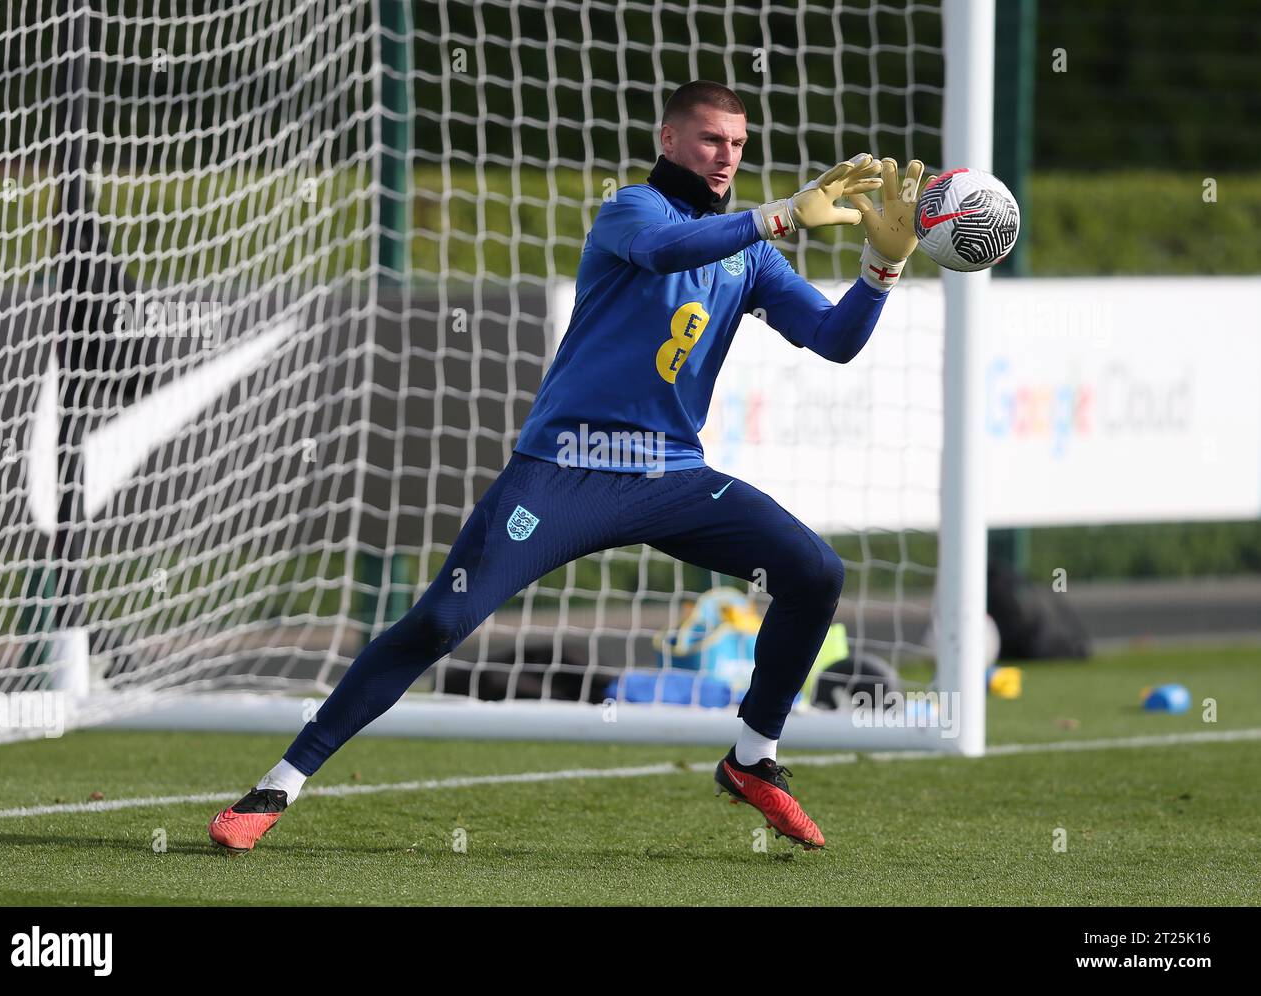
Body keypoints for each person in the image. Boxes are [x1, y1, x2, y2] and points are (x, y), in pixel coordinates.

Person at [209, 79, 925, 853]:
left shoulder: (747, 254)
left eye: (739, 144)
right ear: (669, 139)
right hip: (564, 470)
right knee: (442, 619)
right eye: (712, 139)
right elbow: (664, 251)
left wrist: (880, 268)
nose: (727, 157)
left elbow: (832, 340)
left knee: (815, 570)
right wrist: (778, 215)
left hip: (672, 475)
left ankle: (755, 757)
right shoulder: (631, 210)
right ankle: (280, 782)